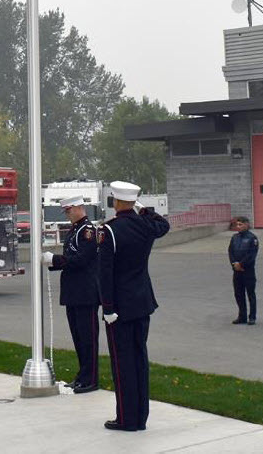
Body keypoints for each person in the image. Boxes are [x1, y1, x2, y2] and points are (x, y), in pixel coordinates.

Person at [97, 180, 170, 432]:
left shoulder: (109, 230)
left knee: (122, 363)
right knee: (140, 359)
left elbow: (105, 273)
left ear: (116, 201)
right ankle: (140, 417)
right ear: (133, 201)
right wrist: (143, 209)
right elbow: (164, 225)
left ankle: (126, 419)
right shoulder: (145, 225)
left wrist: (107, 307)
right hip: (142, 302)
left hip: (119, 307)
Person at [42, 195, 99, 392]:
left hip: (85, 292)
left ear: (78, 208)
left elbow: (82, 259)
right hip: (74, 292)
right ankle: (82, 375)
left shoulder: (88, 231)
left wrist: (55, 260)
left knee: (88, 338)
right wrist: (53, 262)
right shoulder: (75, 230)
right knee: (78, 337)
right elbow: (71, 259)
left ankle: (91, 379)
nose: (67, 214)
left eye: (68, 210)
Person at [228, 215, 259, 325]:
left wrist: (241, 264)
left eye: (240, 224)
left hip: (247, 271)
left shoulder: (252, 238)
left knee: (250, 294)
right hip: (237, 271)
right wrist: (234, 264)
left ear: (246, 224)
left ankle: (252, 317)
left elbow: (251, 255)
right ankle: (242, 316)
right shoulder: (234, 238)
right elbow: (230, 252)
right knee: (238, 294)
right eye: (237, 224)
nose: (238, 226)